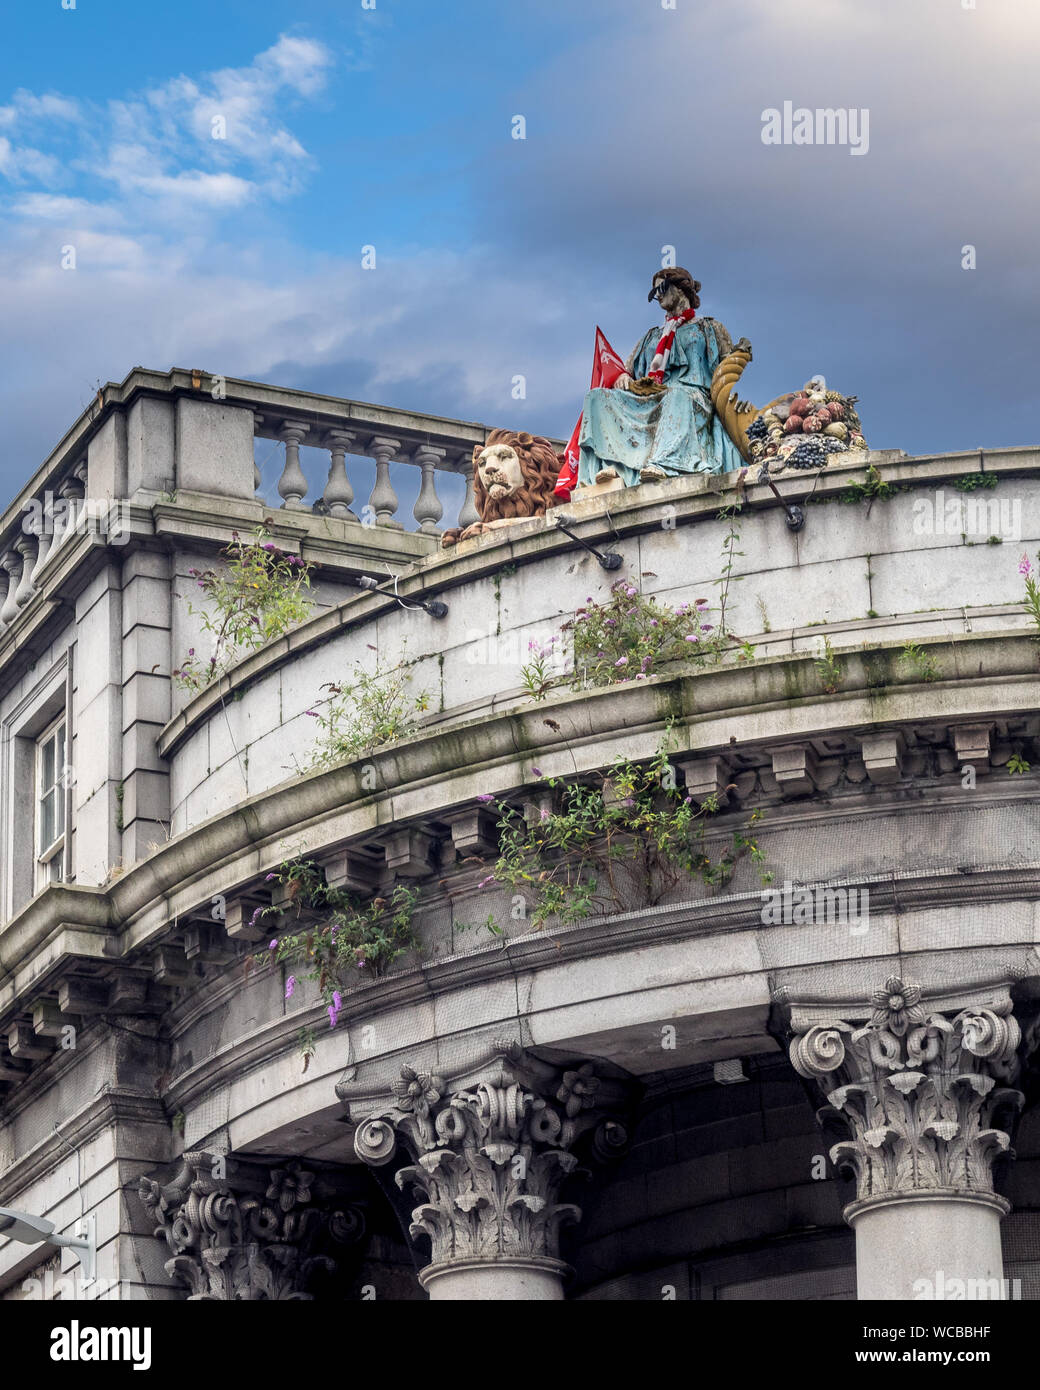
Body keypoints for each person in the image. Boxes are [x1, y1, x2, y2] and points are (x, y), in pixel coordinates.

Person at [577, 268, 744, 488]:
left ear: (681, 288)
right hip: (652, 396)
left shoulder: (710, 328)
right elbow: (627, 370)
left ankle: (666, 464)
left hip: (692, 397)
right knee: (597, 397)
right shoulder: (652, 336)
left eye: (662, 289)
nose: (658, 295)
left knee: (677, 396)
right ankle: (614, 467)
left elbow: (727, 369)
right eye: (654, 292)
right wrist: (623, 378)